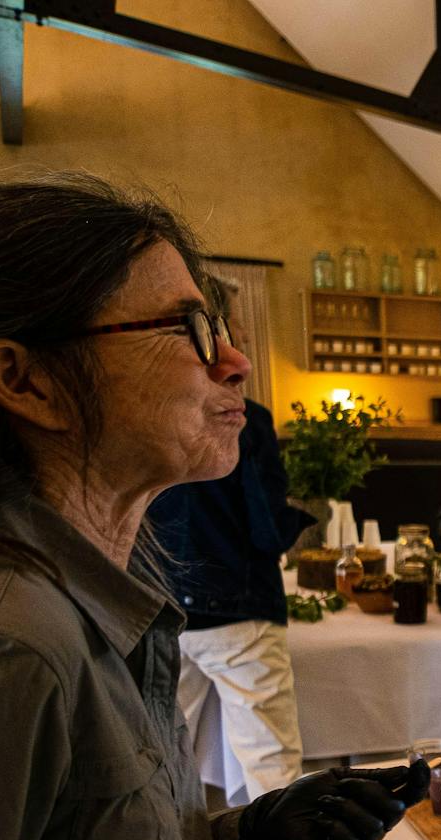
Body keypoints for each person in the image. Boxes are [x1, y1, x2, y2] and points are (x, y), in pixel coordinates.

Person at [0, 174, 441, 840]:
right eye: (188, 328)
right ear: (28, 380)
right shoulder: (12, 648)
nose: (234, 358)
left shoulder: (101, 601)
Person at [148, 274, 311, 805]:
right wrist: (297, 525)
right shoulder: (245, 419)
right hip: (239, 608)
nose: (237, 351)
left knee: (169, 759)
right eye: (230, 331)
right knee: (272, 765)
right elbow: (264, 523)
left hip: (163, 605)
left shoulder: (146, 417)